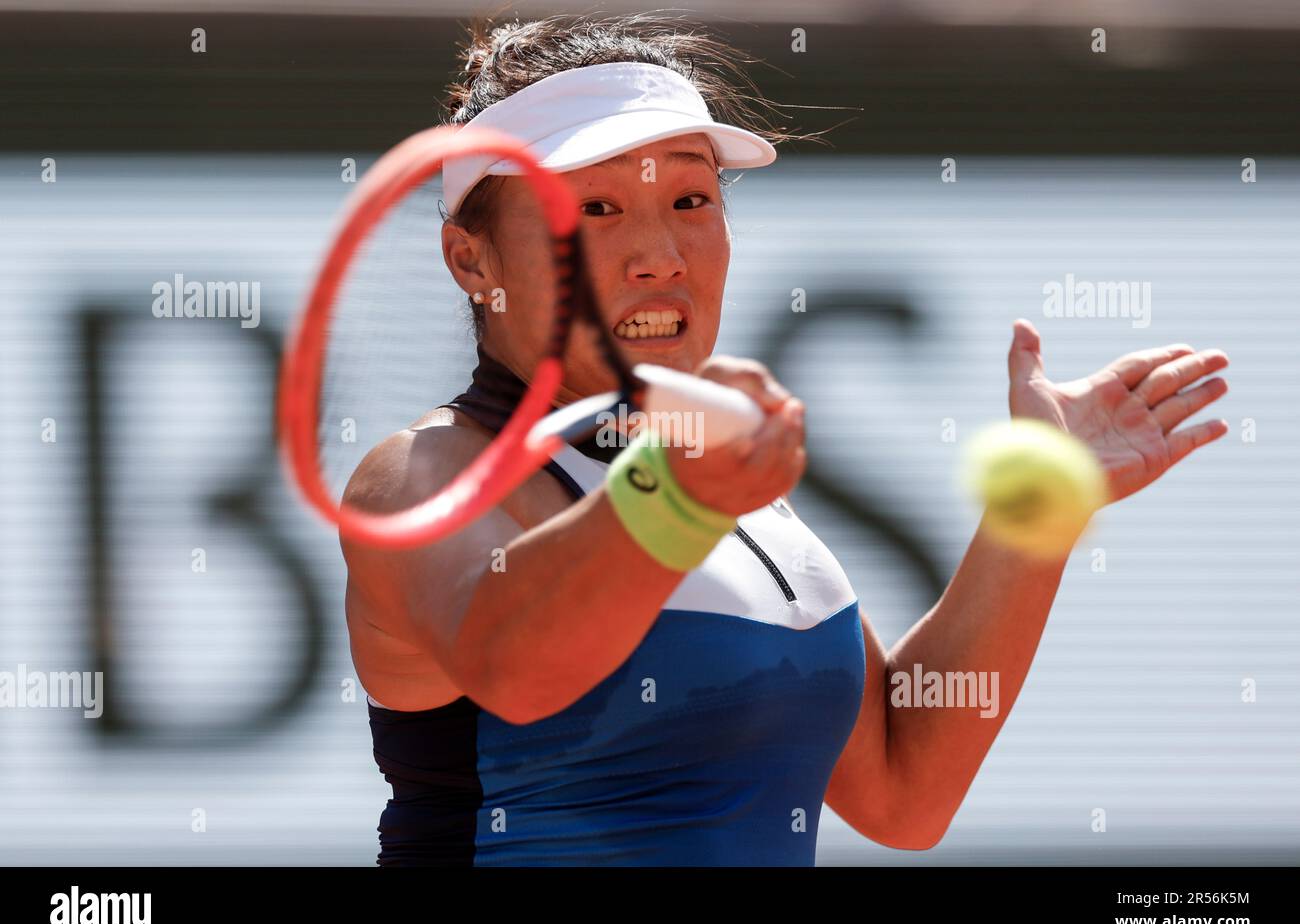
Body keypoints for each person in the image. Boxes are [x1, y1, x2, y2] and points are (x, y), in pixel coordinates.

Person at [340, 14, 1231, 866]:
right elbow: (516, 669)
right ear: (472, 259)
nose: (661, 254)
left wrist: (1035, 517)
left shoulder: (741, 499)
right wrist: (677, 495)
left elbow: (903, 793)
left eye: (690, 197)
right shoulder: (419, 476)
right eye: (598, 209)